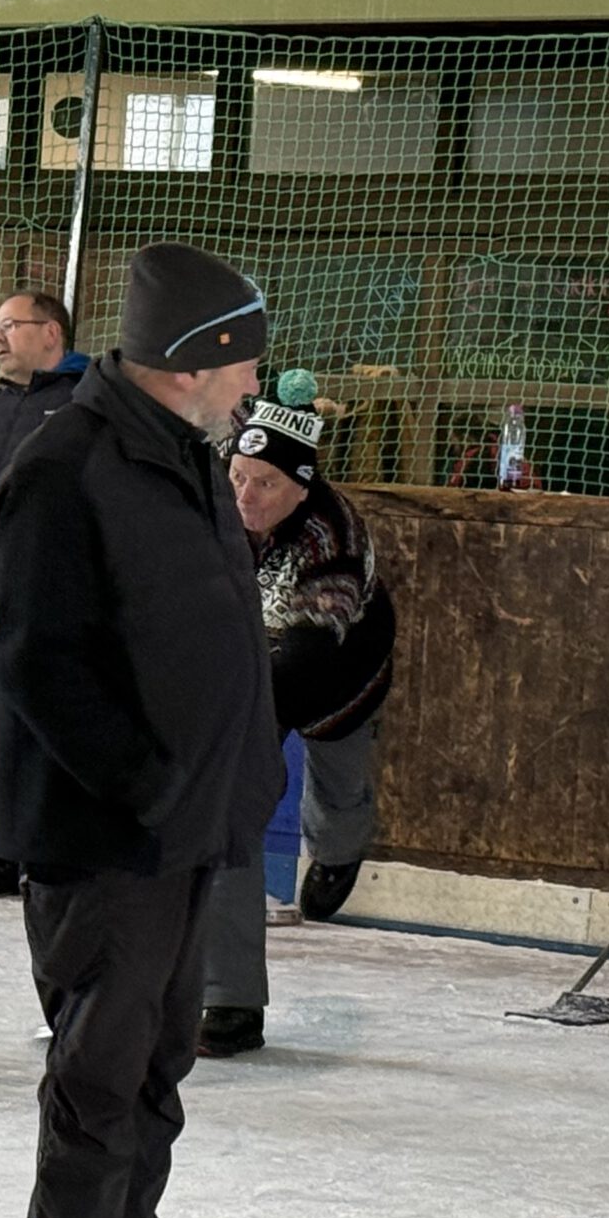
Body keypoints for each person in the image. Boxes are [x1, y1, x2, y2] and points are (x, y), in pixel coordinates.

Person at [0, 242, 282, 1218]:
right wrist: (147, 784)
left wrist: (226, 782)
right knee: (99, 1071)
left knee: (155, 1062)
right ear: (199, 358)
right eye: (244, 359)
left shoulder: (186, 457)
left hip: (187, 827)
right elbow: (40, 665)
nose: (253, 382)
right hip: (107, 834)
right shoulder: (69, 463)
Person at [198, 383, 399, 1058]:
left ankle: (340, 851)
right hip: (252, 655)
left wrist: (226, 711)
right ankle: (229, 1001)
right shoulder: (219, 504)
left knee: (337, 782)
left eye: (265, 485)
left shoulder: (331, 542)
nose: (245, 497)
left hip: (336, 674)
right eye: (239, 478)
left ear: (302, 487)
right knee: (229, 807)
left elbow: (305, 665)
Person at [0, 288, 86, 898]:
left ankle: (28, 846)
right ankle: (6, 845)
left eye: (10, 325)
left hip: (57, 605)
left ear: (51, 332)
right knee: (6, 722)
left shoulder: (87, 407)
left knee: (42, 724)